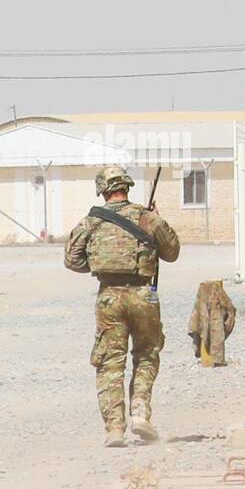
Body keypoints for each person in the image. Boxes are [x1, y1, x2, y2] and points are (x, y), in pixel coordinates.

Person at [64, 165, 180, 446]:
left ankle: (115, 428)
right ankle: (140, 412)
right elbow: (172, 252)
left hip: (109, 297)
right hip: (144, 295)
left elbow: (72, 260)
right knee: (146, 355)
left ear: (103, 190)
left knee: (109, 362)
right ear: (126, 187)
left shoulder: (90, 221)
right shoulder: (146, 217)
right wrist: (156, 222)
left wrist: (101, 264)